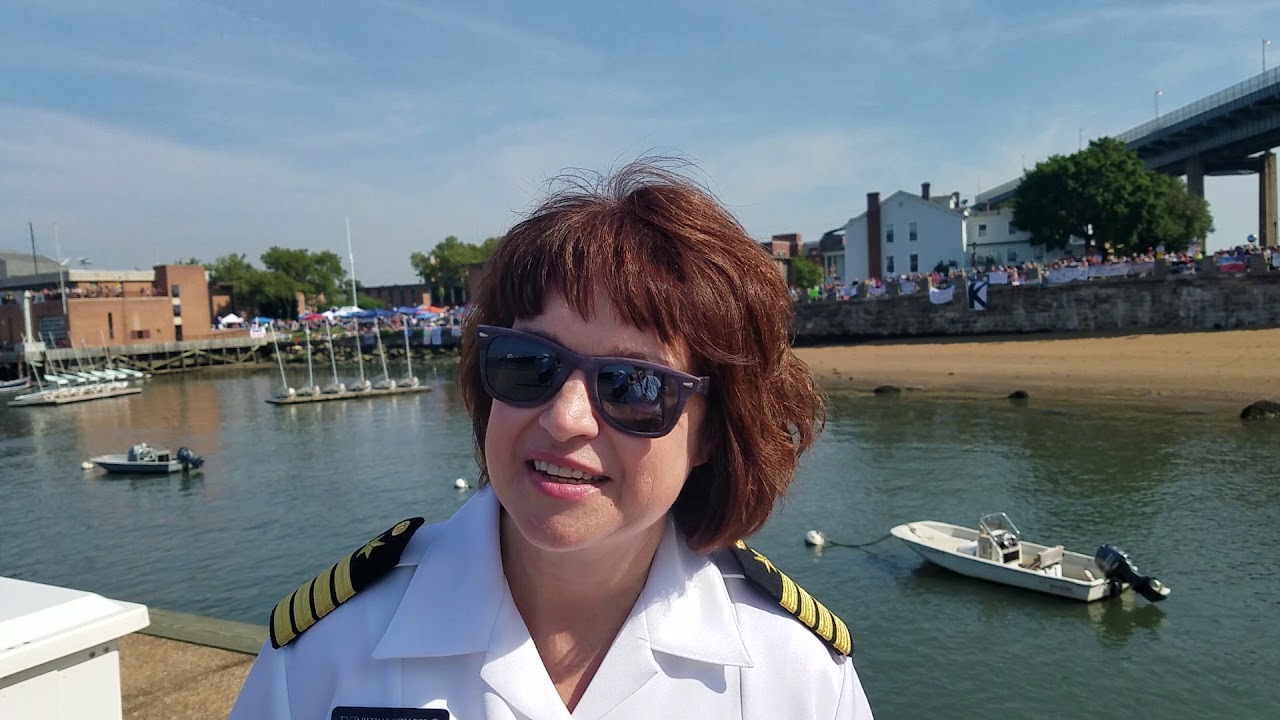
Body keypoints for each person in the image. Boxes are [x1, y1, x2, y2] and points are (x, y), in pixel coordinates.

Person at [228, 159, 874, 719]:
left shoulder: (797, 677)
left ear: (712, 431)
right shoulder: (329, 651)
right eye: (528, 362)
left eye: (633, 384)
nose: (566, 418)